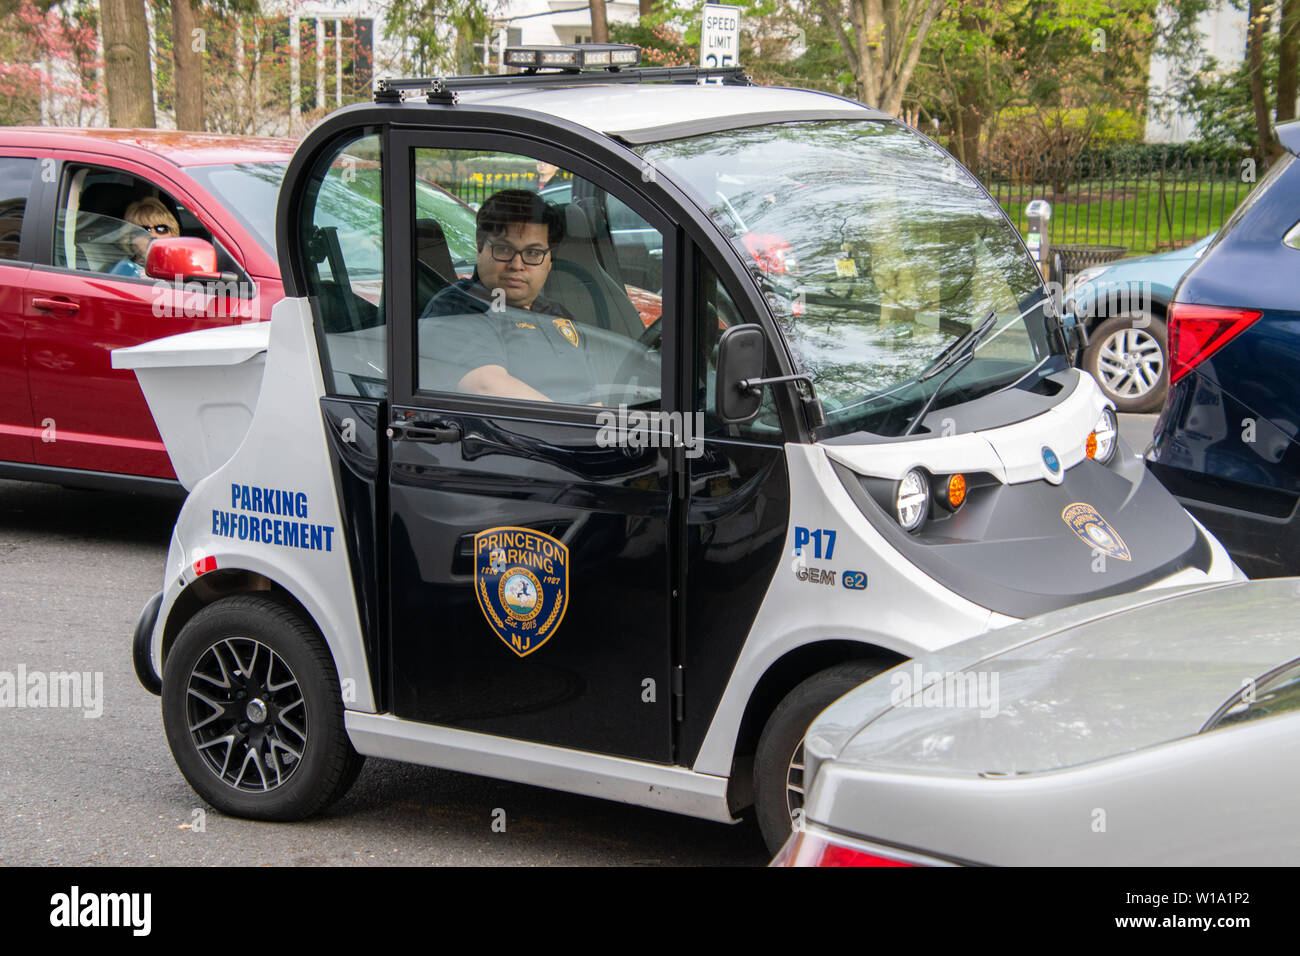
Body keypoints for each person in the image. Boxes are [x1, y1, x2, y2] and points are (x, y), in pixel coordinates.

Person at [420, 188, 598, 403]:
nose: (517, 265)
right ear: (479, 247)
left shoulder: (557, 314)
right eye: (504, 250)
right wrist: (578, 425)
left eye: (533, 253)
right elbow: (484, 386)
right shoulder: (455, 308)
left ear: (549, 261)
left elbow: (591, 399)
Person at [108, 197, 180, 278]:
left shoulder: (182, 267)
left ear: (172, 234)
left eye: (161, 229)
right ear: (130, 238)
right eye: (143, 230)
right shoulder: (123, 272)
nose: (153, 235)